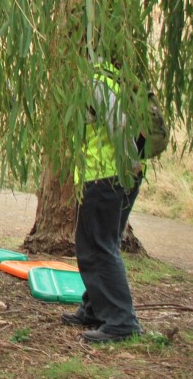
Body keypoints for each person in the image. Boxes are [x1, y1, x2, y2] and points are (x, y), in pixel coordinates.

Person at [63, 62, 144, 343]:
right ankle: (95, 308)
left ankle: (122, 321)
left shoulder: (97, 82)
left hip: (106, 175)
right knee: (100, 244)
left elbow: (118, 127)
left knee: (97, 247)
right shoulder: (115, 79)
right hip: (117, 174)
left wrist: (128, 166)